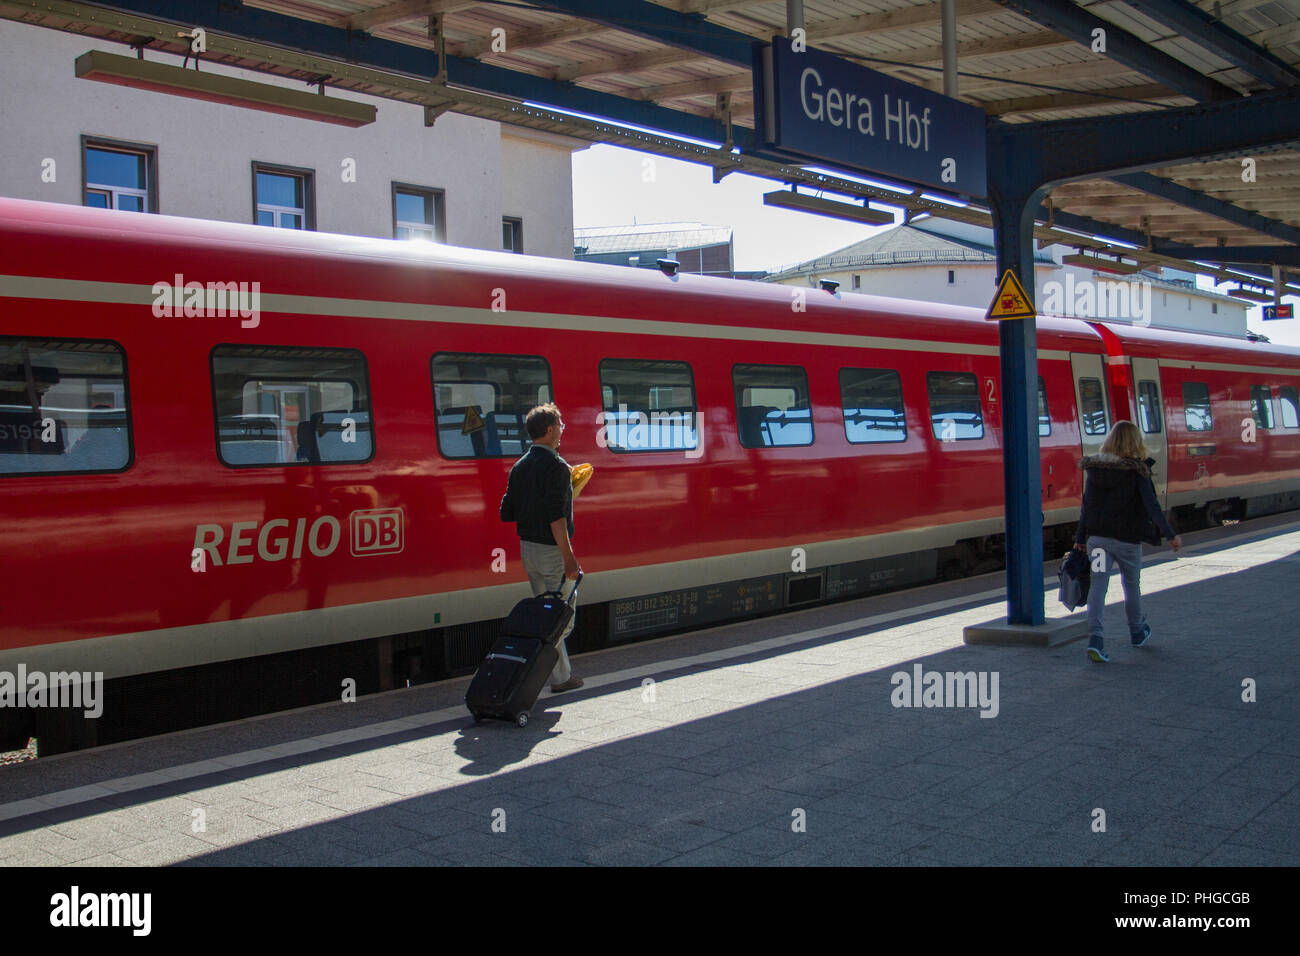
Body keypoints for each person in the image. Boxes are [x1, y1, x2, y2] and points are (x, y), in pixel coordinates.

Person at [1073, 420, 1182, 663]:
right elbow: (1151, 506)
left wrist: (1080, 538)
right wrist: (1170, 534)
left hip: (1098, 541)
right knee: (1131, 585)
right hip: (1127, 542)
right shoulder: (1138, 471)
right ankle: (1136, 632)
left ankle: (1096, 640)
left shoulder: (1096, 470)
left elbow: (1087, 506)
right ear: (1135, 442)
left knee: (1098, 588)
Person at [499, 402, 584, 692]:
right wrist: (569, 558)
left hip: (529, 551)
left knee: (546, 613)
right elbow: (555, 518)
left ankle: (560, 676)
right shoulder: (558, 467)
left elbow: (506, 511)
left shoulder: (519, 466)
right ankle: (548, 674)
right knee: (561, 618)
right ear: (549, 431)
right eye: (560, 426)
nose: (562, 431)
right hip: (551, 552)